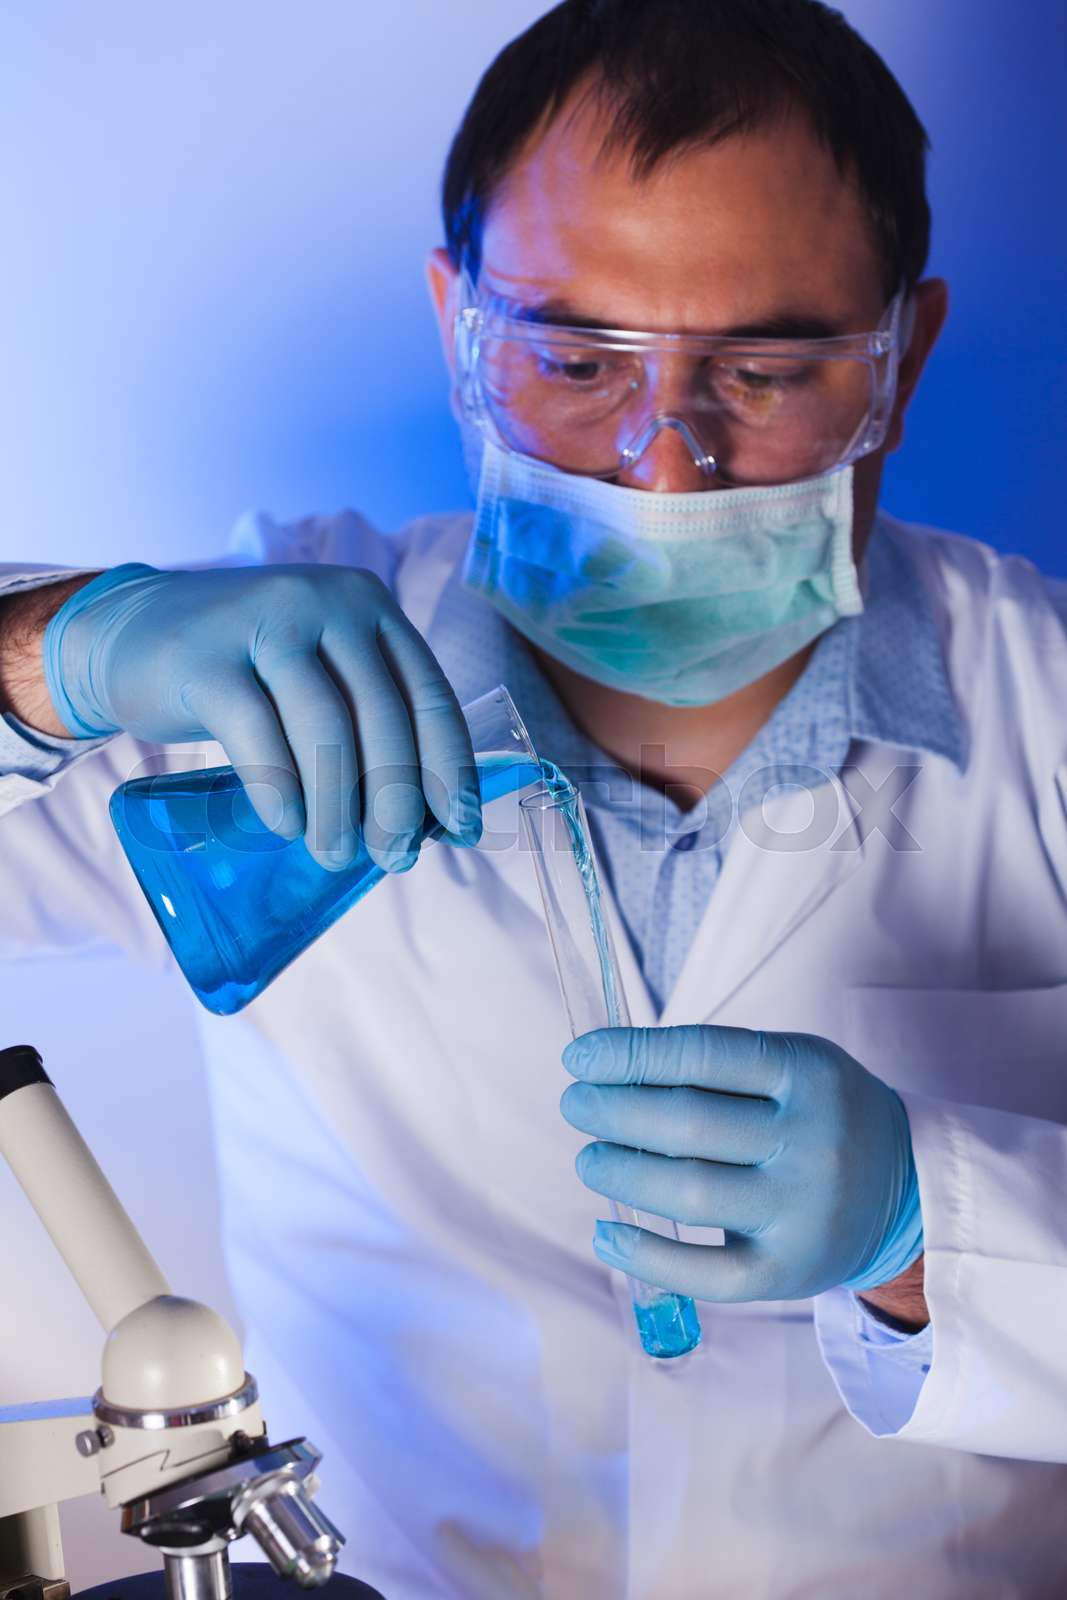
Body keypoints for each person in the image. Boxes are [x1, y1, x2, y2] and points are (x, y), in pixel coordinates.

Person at [2, 0, 1066, 1593]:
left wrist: (936, 1233)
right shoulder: (245, 671)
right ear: (457, 332)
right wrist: (56, 651)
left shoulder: (1044, 705)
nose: (661, 460)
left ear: (899, 360)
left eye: (765, 371)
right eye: (575, 359)